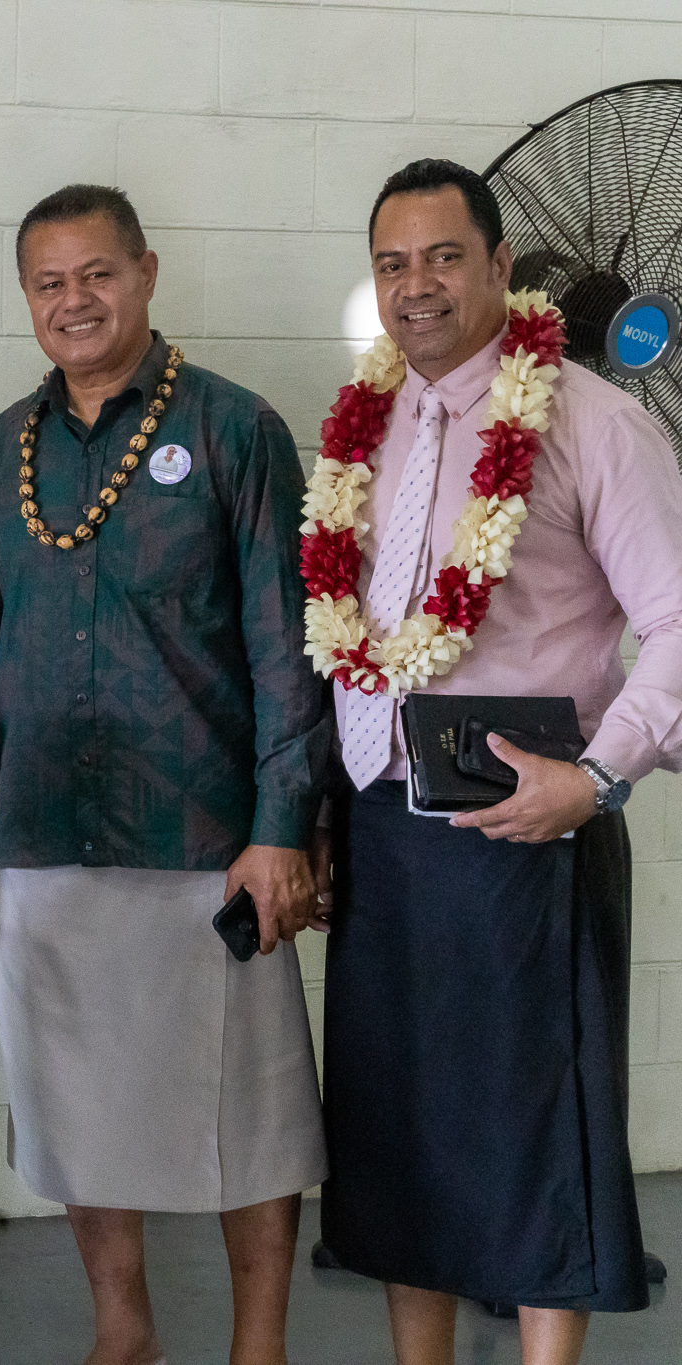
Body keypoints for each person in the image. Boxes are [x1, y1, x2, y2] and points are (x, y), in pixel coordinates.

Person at [0, 184, 330, 1365]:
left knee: (248, 1119)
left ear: (145, 273)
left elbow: (281, 646)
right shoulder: (1, 449)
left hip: (208, 837)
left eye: (95, 274)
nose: (74, 301)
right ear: (24, 299)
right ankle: (123, 1331)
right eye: (48, 283)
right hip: (47, 835)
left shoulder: (232, 427)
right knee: (73, 1111)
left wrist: (279, 826)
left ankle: (257, 1345)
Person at [314, 159, 681, 1365]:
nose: (414, 287)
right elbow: (344, 633)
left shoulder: (588, 418)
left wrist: (599, 776)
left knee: (527, 1130)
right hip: (383, 832)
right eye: (390, 264)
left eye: (441, 257)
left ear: (498, 266)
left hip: (532, 826)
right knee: (399, 1130)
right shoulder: (361, 428)